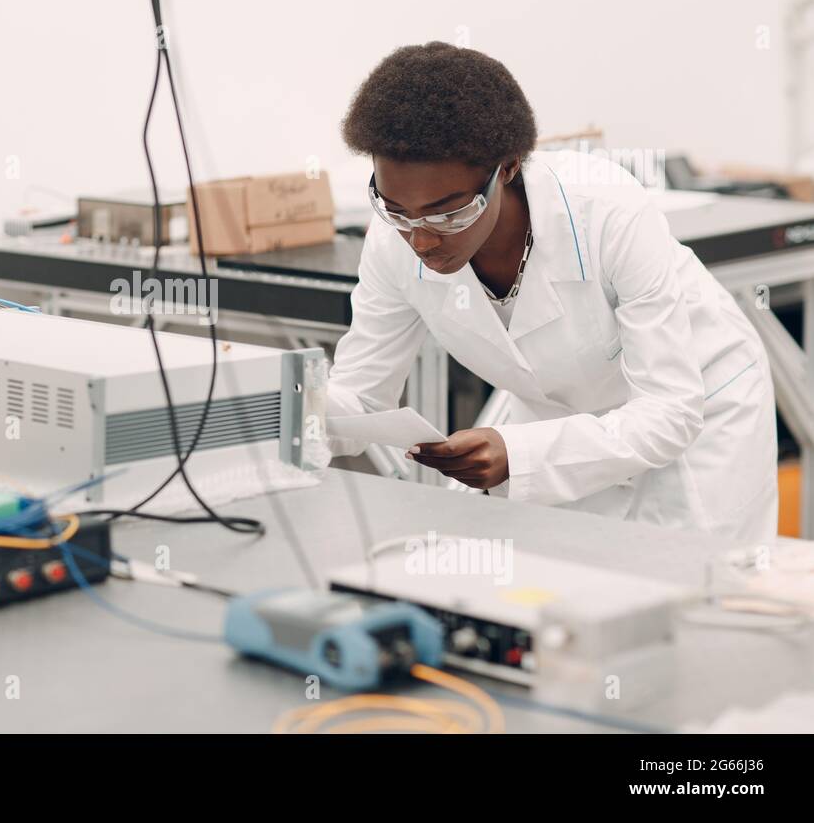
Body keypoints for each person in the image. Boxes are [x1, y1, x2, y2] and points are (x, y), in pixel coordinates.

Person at [327, 41, 777, 541]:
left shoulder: (608, 212)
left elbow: (669, 412)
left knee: (694, 593)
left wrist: (519, 454)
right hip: (566, 418)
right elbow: (361, 399)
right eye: (395, 208)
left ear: (508, 167)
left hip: (700, 413)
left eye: (450, 211)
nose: (422, 237)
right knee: (571, 588)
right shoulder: (394, 238)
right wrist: (276, 404)